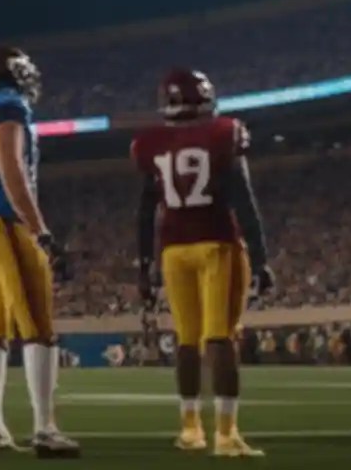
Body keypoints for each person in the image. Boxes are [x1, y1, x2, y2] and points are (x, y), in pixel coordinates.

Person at [132, 68, 274, 457]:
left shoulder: (152, 143)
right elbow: (243, 199)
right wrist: (261, 258)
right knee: (220, 339)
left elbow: (146, 212)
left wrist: (144, 266)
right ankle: (226, 435)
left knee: (187, 342)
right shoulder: (222, 134)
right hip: (216, 243)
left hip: (173, 251)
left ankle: (190, 429)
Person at [0, 46, 79, 457]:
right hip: (6, 222)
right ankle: (45, 427)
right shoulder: (9, 105)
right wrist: (40, 231)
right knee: (38, 327)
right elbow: (10, 166)